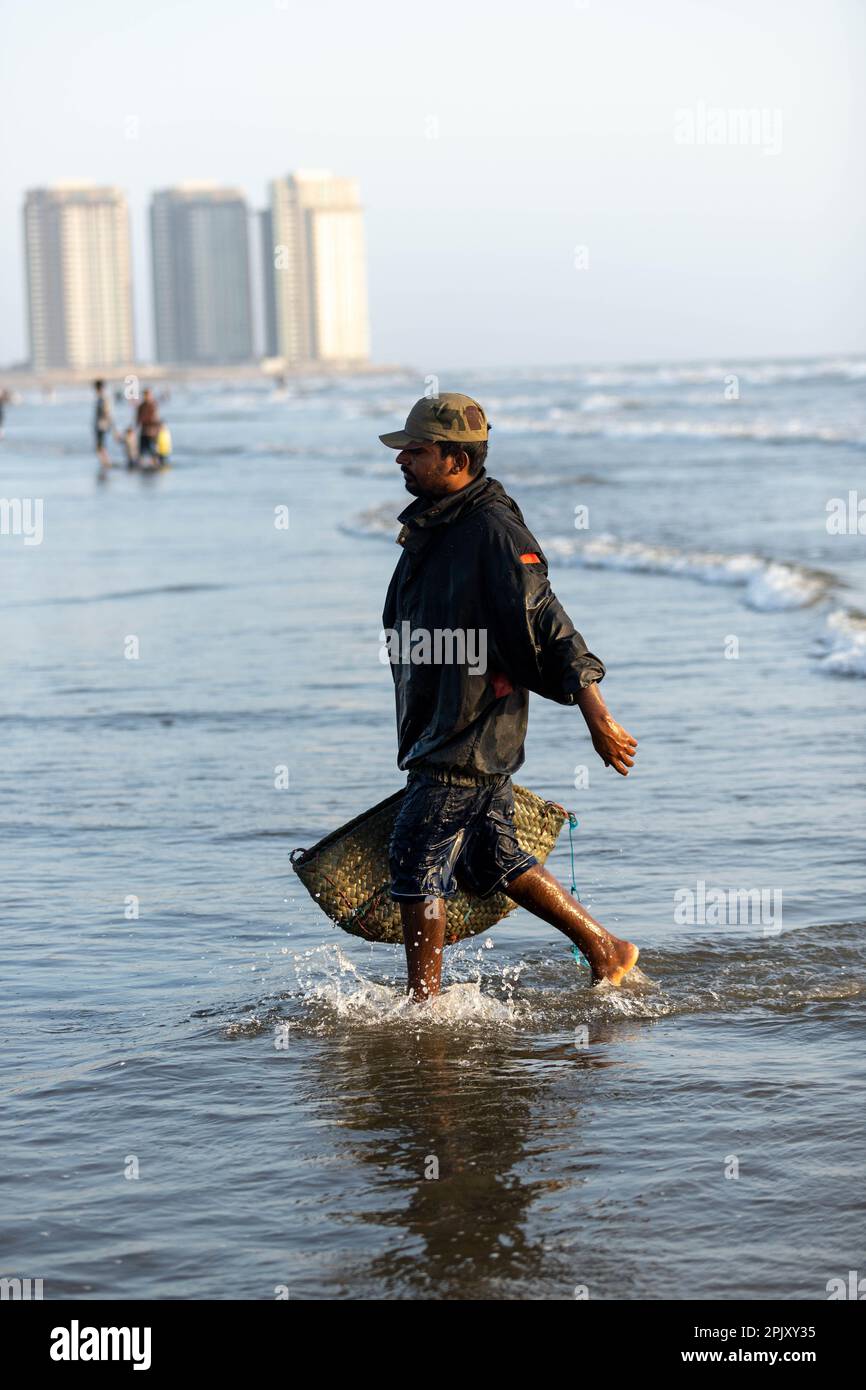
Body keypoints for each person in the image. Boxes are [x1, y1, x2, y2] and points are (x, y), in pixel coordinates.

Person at [379, 392, 639, 1002]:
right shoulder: (440, 522)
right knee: (488, 859)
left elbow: (549, 619)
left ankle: (424, 1006)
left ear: (455, 458)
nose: (402, 462)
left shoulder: (494, 529)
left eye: (415, 451)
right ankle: (606, 949)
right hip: (443, 721)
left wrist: (594, 713)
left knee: (415, 858)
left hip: (469, 729)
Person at [136, 388, 161, 462]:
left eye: (148, 395)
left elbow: (157, 419)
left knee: (153, 452)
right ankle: (141, 465)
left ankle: (155, 464)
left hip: (152, 433)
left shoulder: (154, 405)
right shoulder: (141, 406)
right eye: (145, 395)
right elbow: (138, 420)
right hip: (143, 432)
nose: (147, 397)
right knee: (141, 452)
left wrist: (156, 431)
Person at [93, 380, 113, 467]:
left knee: (100, 445)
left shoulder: (103, 398)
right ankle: (104, 462)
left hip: (102, 425)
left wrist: (112, 427)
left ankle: (106, 462)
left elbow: (107, 412)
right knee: (100, 445)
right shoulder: (101, 398)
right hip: (100, 425)